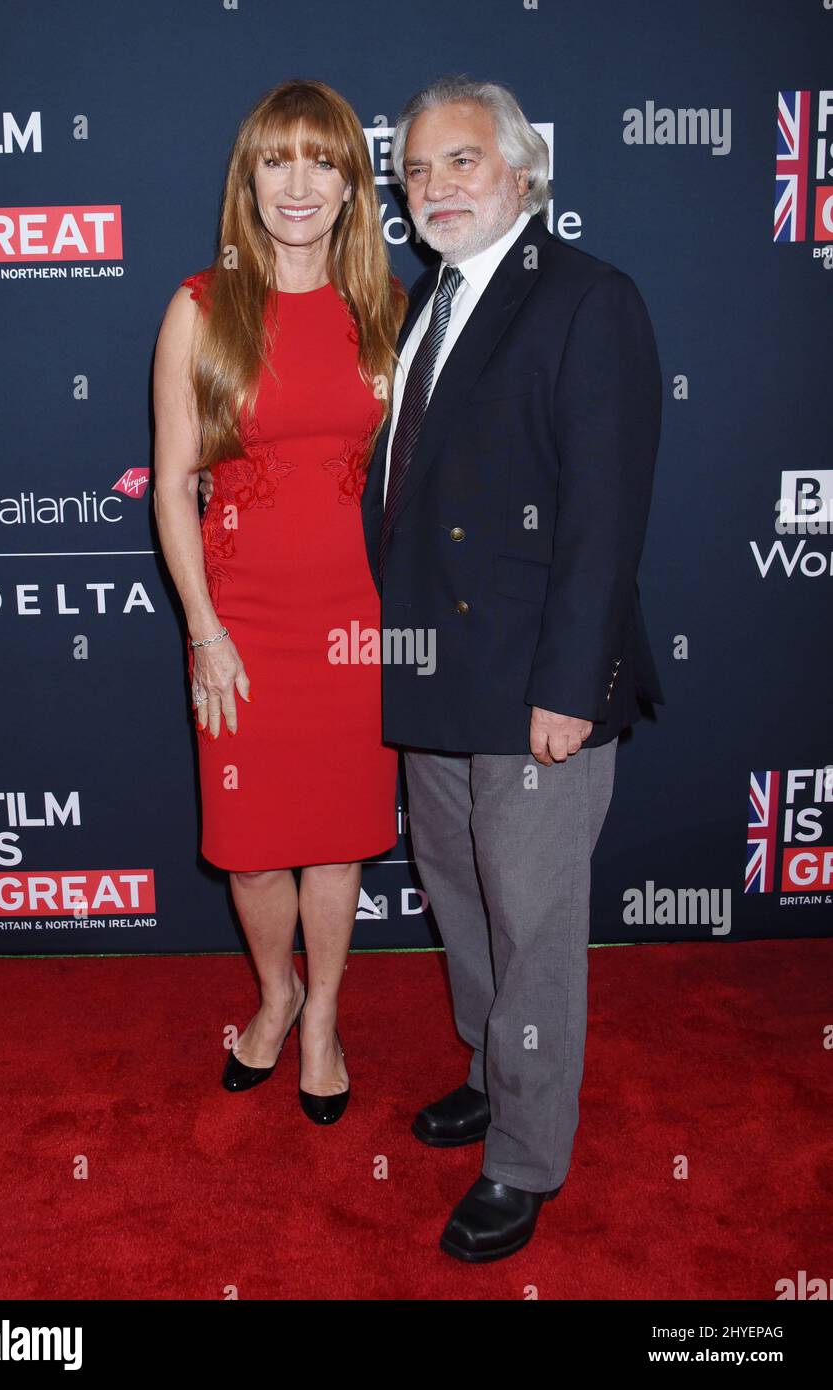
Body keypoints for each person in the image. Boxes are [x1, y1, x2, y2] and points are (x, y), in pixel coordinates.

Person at [360, 77, 664, 1261]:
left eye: (460, 163)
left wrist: (567, 690)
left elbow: (604, 516)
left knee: (534, 925)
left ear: (523, 173)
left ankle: (526, 1160)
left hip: (537, 682)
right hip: (432, 674)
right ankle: (492, 1072)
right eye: (418, 171)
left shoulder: (589, 301)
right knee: (464, 903)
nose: (434, 188)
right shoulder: (421, 306)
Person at [153, 78, 405, 1124]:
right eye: (275, 160)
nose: (297, 183)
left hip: (354, 624)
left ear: (351, 184)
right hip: (240, 624)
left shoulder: (388, 312)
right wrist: (204, 631)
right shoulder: (201, 308)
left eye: (322, 160)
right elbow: (171, 483)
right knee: (251, 846)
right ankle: (273, 992)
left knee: (338, 838)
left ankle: (322, 1020)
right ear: (246, 180)